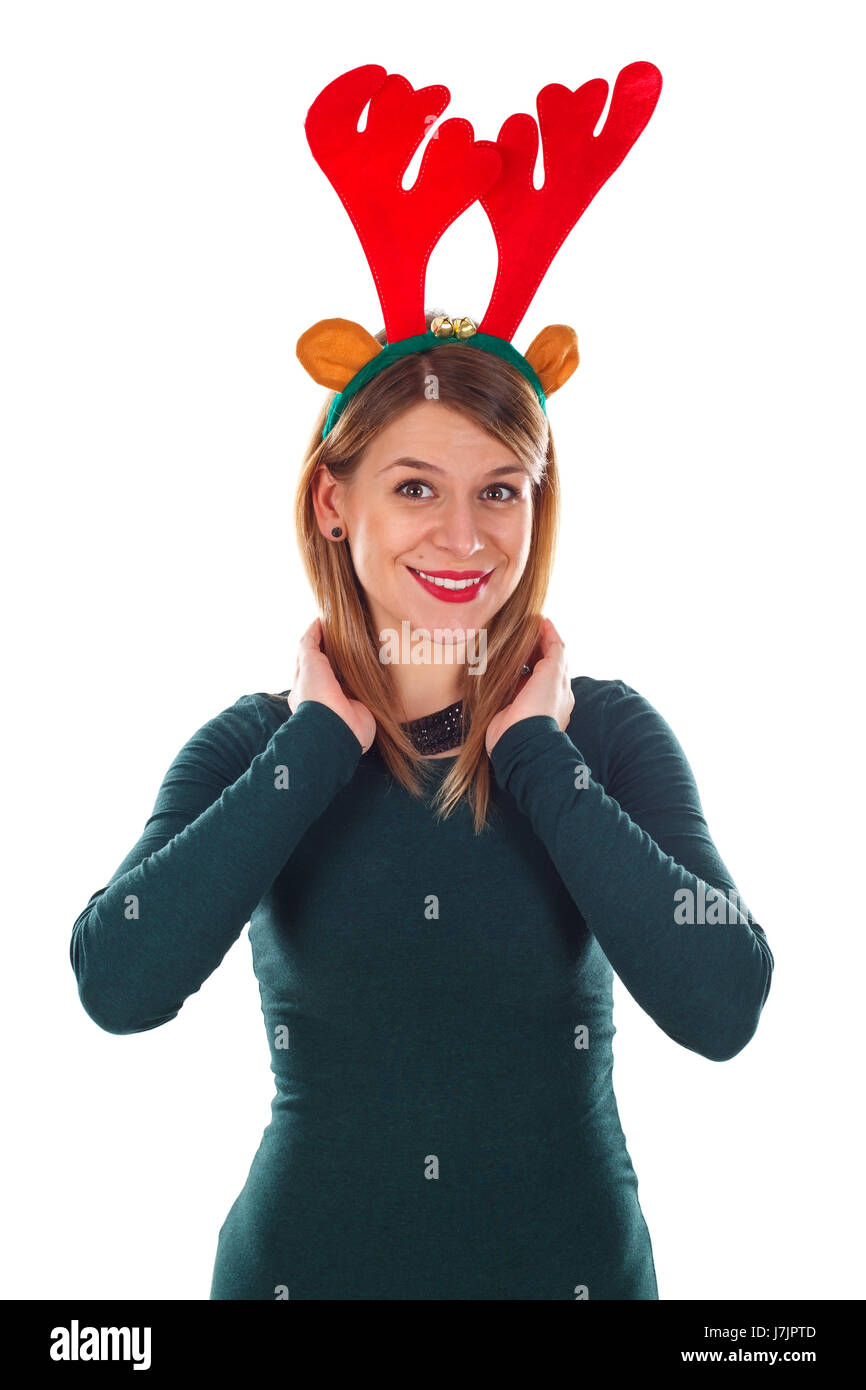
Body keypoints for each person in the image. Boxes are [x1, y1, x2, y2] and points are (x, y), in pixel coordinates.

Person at [69, 63, 774, 1300]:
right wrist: (310, 753)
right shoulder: (258, 749)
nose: (464, 536)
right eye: (414, 487)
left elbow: (724, 1001)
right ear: (333, 502)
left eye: (498, 488)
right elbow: (117, 985)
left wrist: (539, 761)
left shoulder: (600, 736)